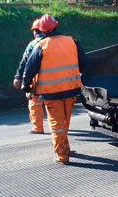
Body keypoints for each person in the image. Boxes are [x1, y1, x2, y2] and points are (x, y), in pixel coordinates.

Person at [21, 14, 86, 164]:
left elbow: (29, 69)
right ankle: (65, 146)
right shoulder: (72, 41)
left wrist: (26, 85)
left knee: (57, 125)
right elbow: (84, 62)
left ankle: (63, 155)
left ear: (42, 31)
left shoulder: (41, 46)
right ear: (56, 26)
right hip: (71, 90)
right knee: (65, 121)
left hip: (51, 93)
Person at [12, 19, 46, 134]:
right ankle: (60, 126)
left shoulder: (33, 44)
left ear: (35, 31)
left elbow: (24, 62)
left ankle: (37, 127)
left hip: (36, 79)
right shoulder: (51, 42)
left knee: (34, 103)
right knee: (55, 103)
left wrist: (18, 77)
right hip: (53, 79)